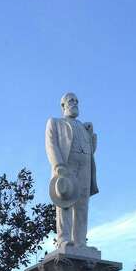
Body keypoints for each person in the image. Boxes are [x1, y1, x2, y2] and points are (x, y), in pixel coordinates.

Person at [45, 92, 98, 249]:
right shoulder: (55, 122)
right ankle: (64, 239)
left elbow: (90, 151)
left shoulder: (83, 126)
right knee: (65, 202)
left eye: (76, 101)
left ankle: (81, 242)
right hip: (66, 166)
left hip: (85, 168)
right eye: (70, 101)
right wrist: (58, 165)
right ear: (63, 105)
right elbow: (51, 145)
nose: (74, 103)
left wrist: (91, 136)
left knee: (82, 204)